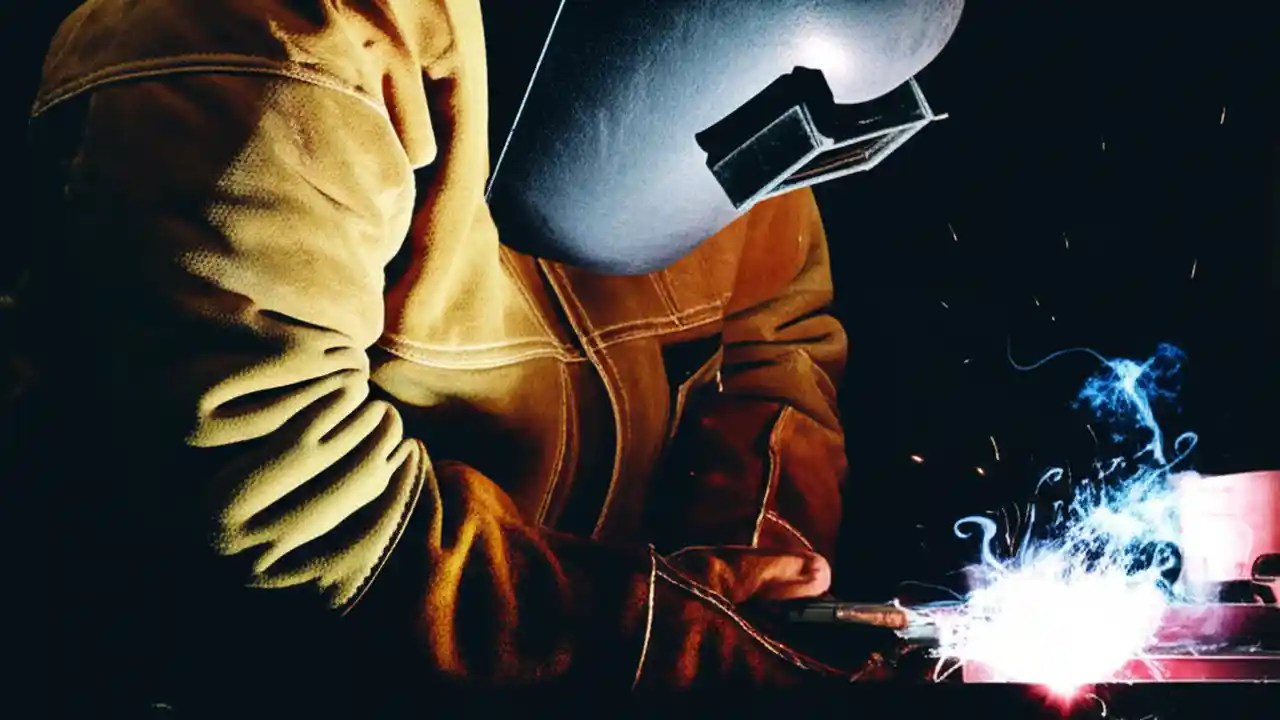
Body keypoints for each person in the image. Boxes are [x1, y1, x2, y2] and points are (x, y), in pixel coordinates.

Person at [9, 0, 962, 712]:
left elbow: (774, 345)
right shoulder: (272, 33)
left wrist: (760, 589)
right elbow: (268, 482)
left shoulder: (759, 67)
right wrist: (653, 639)